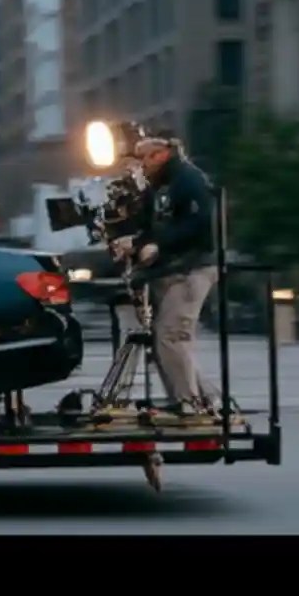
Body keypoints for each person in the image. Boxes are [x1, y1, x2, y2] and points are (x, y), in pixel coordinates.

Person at [114, 129, 220, 419]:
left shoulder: (188, 179)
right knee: (168, 337)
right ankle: (202, 400)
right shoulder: (159, 186)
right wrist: (133, 243)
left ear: (161, 154)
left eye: (144, 158)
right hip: (172, 269)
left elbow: (199, 223)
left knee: (172, 335)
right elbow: (150, 225)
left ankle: (188, 403)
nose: (141, 164)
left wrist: (157, 244)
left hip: (192, 268)